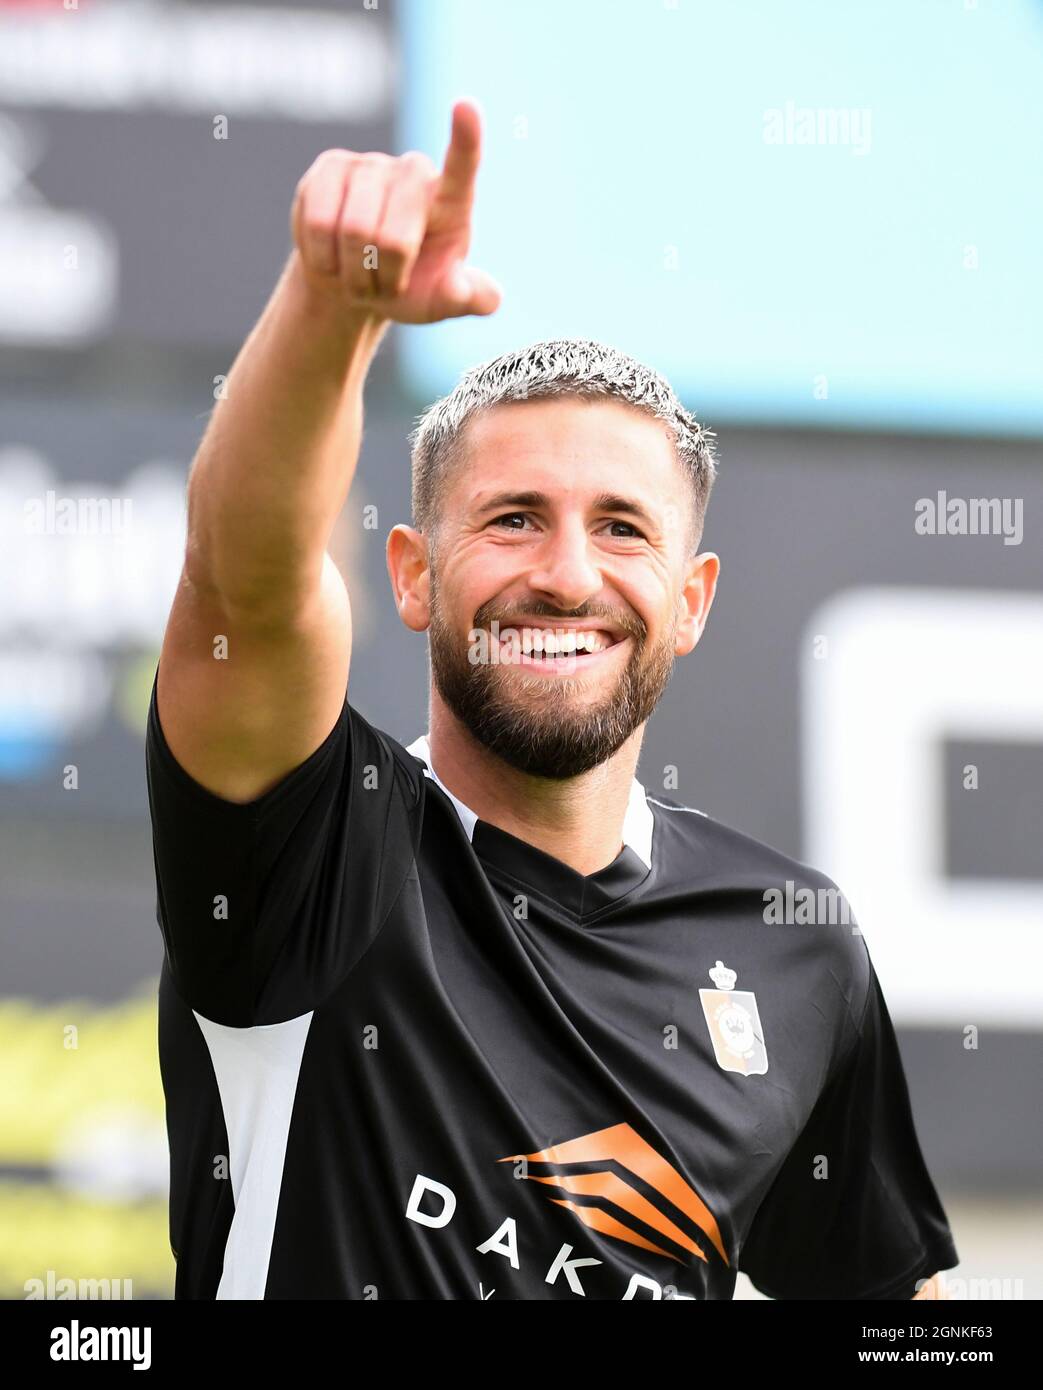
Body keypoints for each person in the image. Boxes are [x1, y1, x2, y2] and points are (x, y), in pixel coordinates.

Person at [145, 100, 958, 1300]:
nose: (567, 574)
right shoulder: (310, 847)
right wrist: (335, 311)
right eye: (513, 517)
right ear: (414, 575)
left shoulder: (792, 945)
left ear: (690, 599)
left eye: (620, 528)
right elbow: (244, 582)